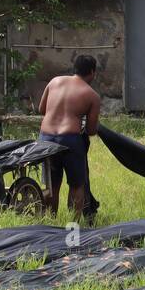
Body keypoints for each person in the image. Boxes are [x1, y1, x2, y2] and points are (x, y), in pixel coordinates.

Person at [39, 54, 101, 220]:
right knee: (76, 185)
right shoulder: (92, 95)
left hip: (46, 139)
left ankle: (50, 224)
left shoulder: (54, 82)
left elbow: (42, 109)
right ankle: (72, 227)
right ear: (92, 72)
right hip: (70, 140)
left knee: (52, 185)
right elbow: (91, 130)